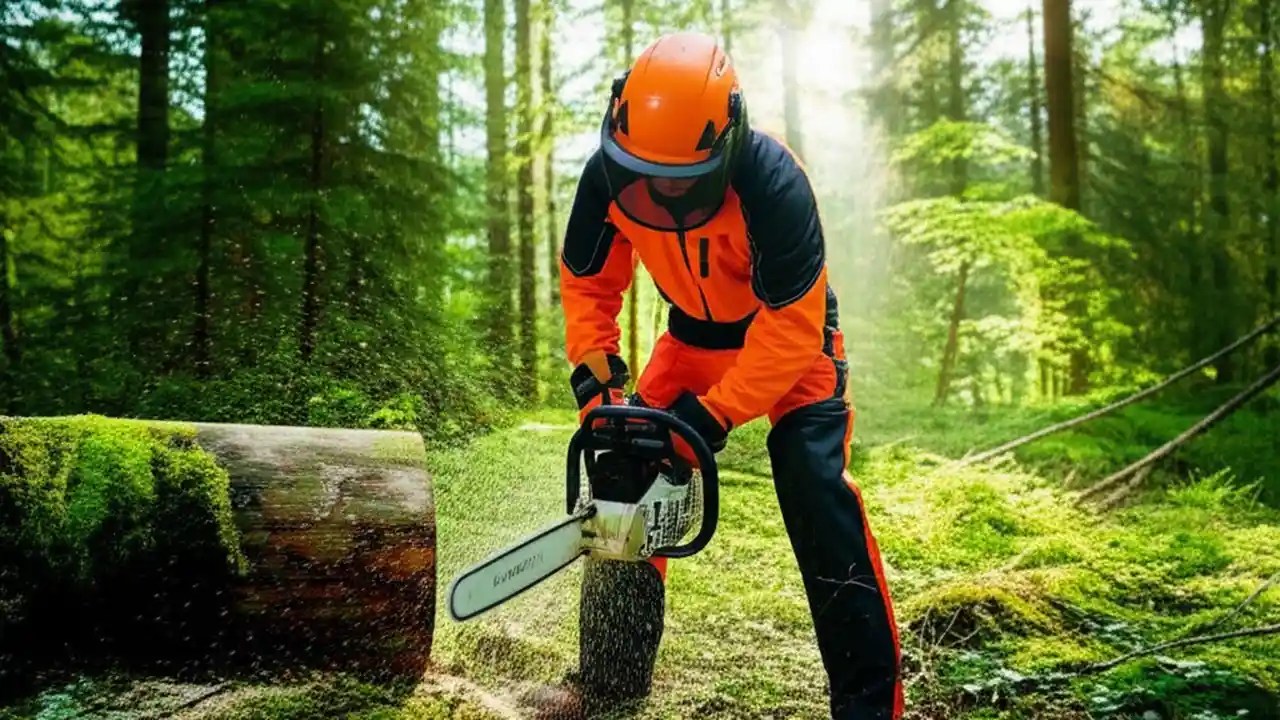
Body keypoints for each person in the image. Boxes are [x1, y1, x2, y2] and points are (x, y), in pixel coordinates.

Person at [523, 30, 903, 720]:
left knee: (816, 493)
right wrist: (599, 385)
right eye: (646, 176)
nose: (662, 194)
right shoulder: (606, 178)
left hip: (791, 341)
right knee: (620, 476)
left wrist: (715, 414)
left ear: (725, 141)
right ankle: (608, 683)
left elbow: (793, 326)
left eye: (681, 181)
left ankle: (869, 707)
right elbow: (587, 285)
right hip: (690, 341)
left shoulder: (773, 182)